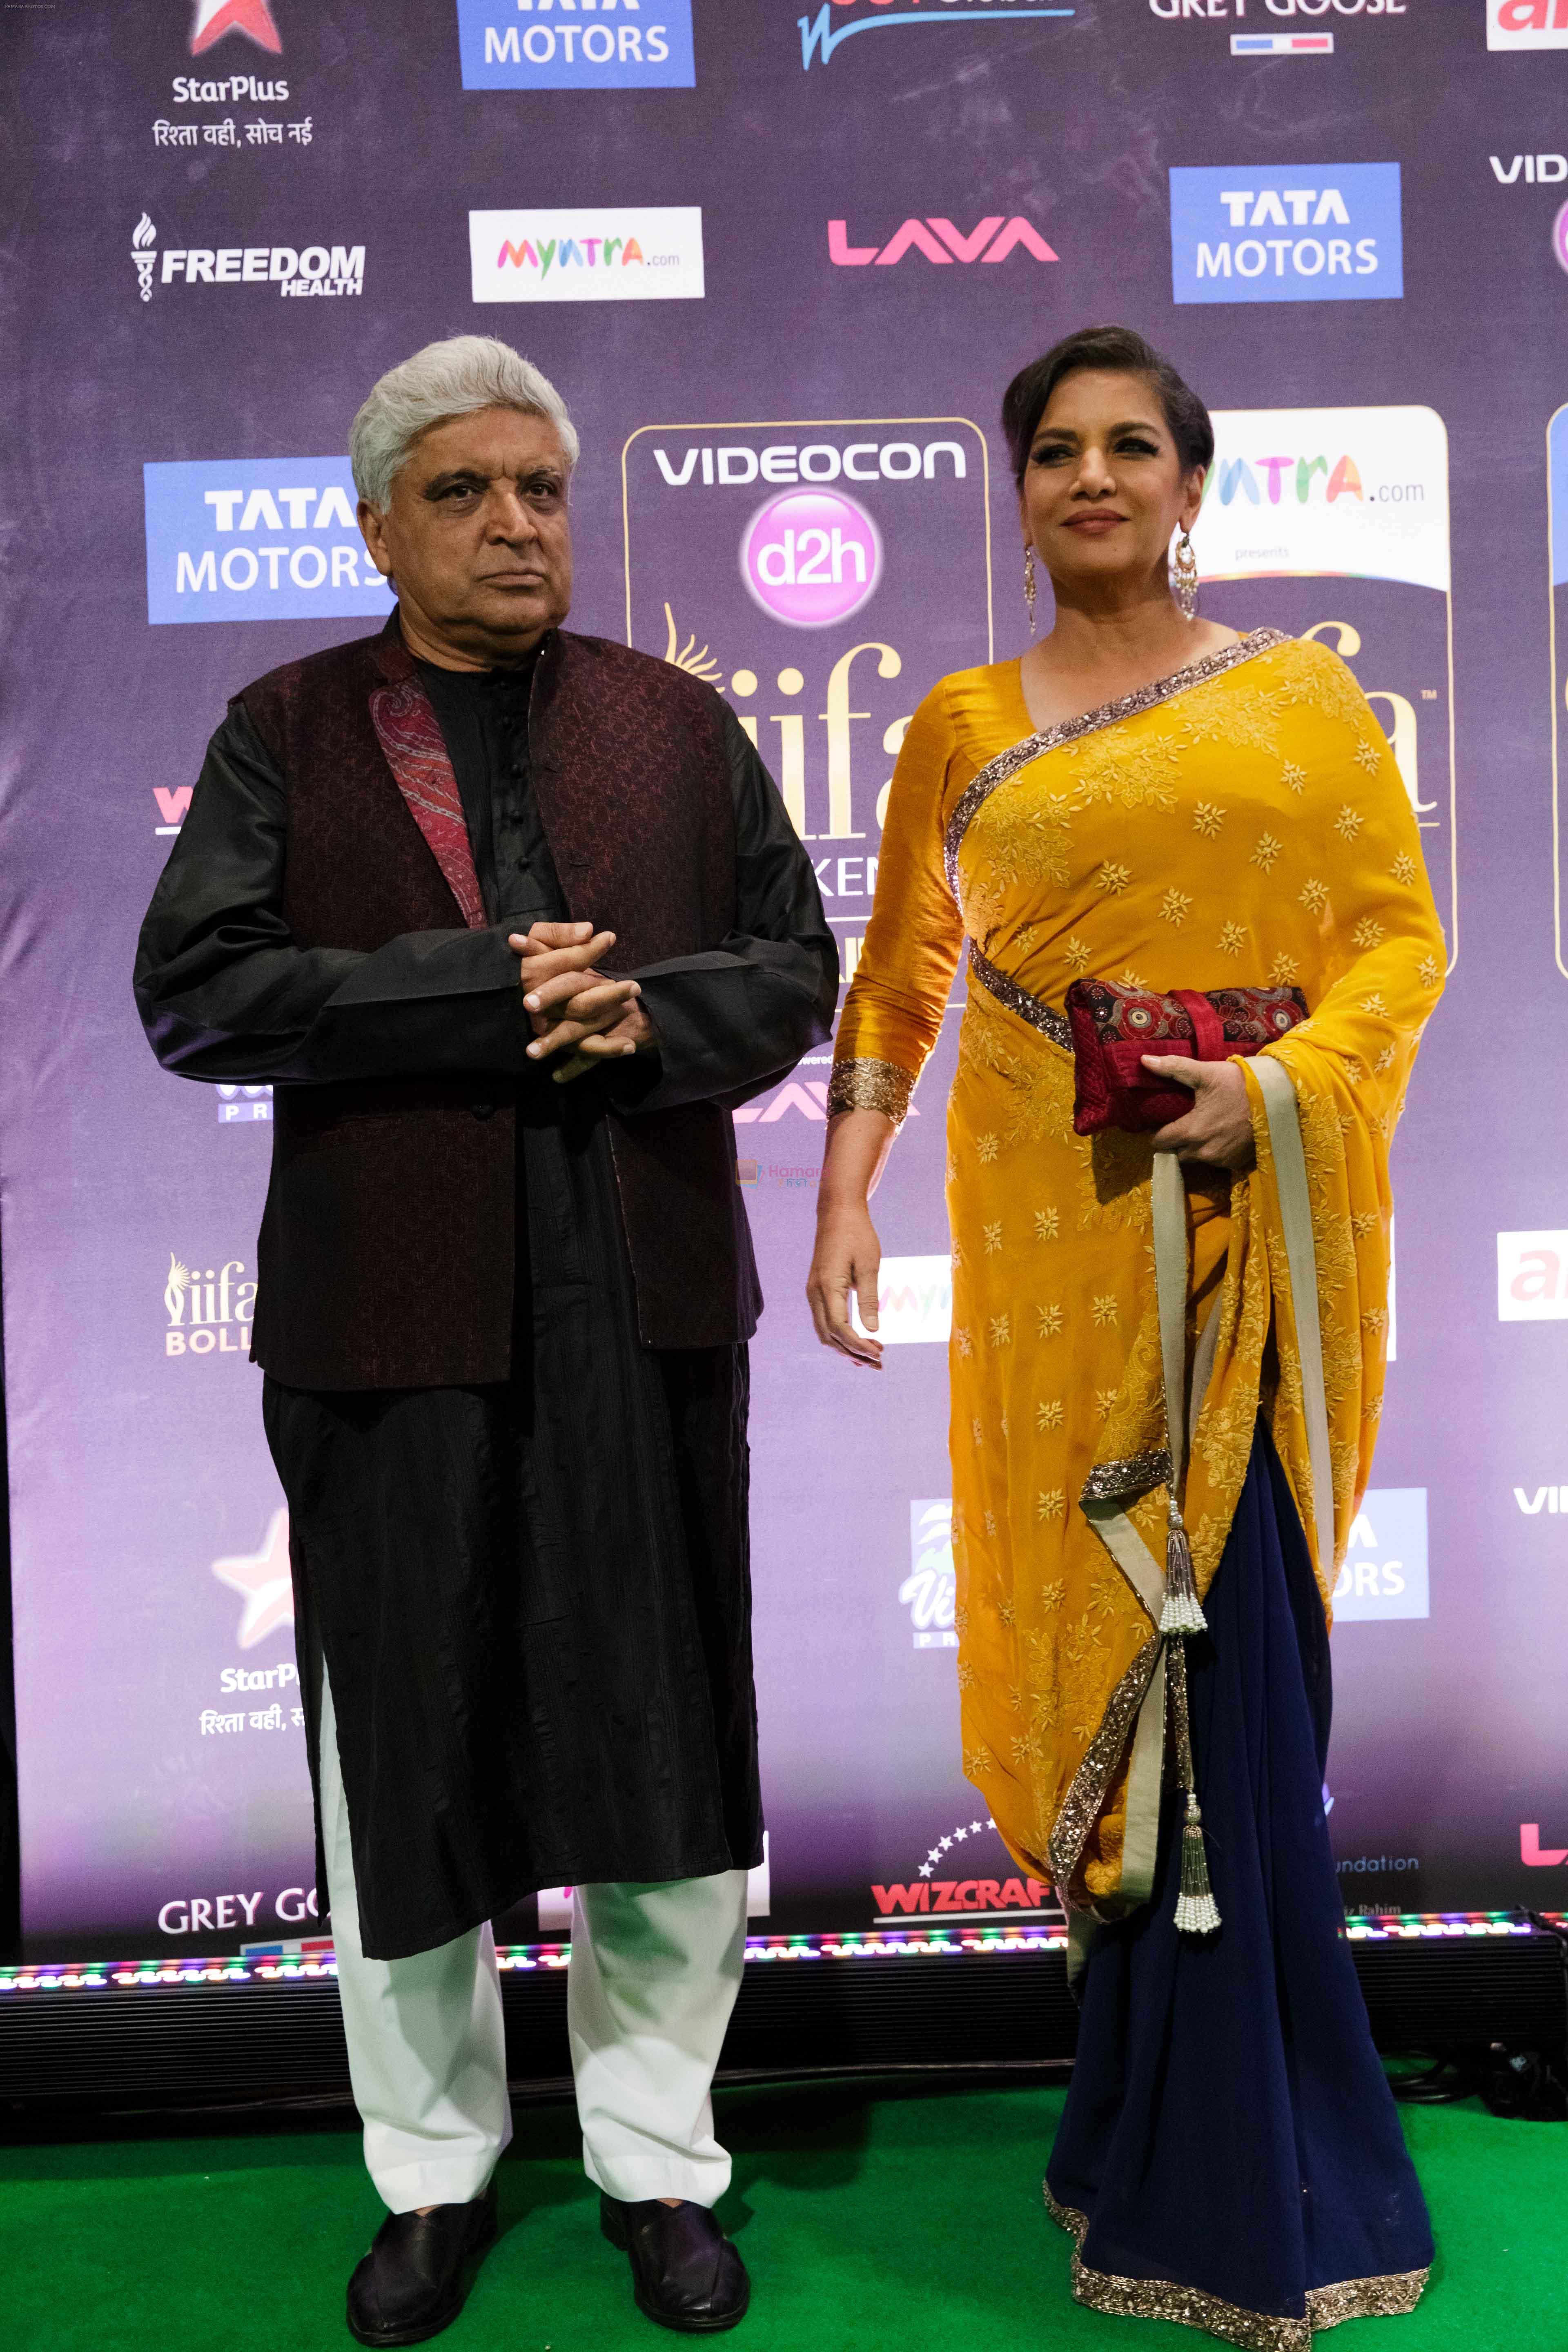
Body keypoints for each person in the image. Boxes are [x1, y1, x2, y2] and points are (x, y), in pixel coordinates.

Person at [136, 334, 837, 2345]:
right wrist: (466, 992)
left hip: (642, 1302)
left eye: (541, 488)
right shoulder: (287, 727)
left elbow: (794, 968)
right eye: (464, 492)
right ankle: (430, 2176)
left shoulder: (679, 722)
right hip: (391, 1316)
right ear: (377, 527)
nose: (516, 522)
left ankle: (658, 2162)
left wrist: (642, 1021)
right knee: (409, 1760)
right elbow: (198, 991)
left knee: (665, 1734)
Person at [808, 325, 1441, 2347]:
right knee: (1109, 1665)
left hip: (1255, 1258)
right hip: (1061, 1269)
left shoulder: (1299, 694)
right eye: (1058, 450)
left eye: (1133, 447)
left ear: (1193, 484)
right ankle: (1130, 2124)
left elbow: (1398, 945)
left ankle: (1264, 2170)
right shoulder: (962, 722)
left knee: (1229, 1701)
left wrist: (1268, 1097)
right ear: (1018, 491)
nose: (1095, 476)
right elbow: (905, 969)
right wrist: (845, 1181)